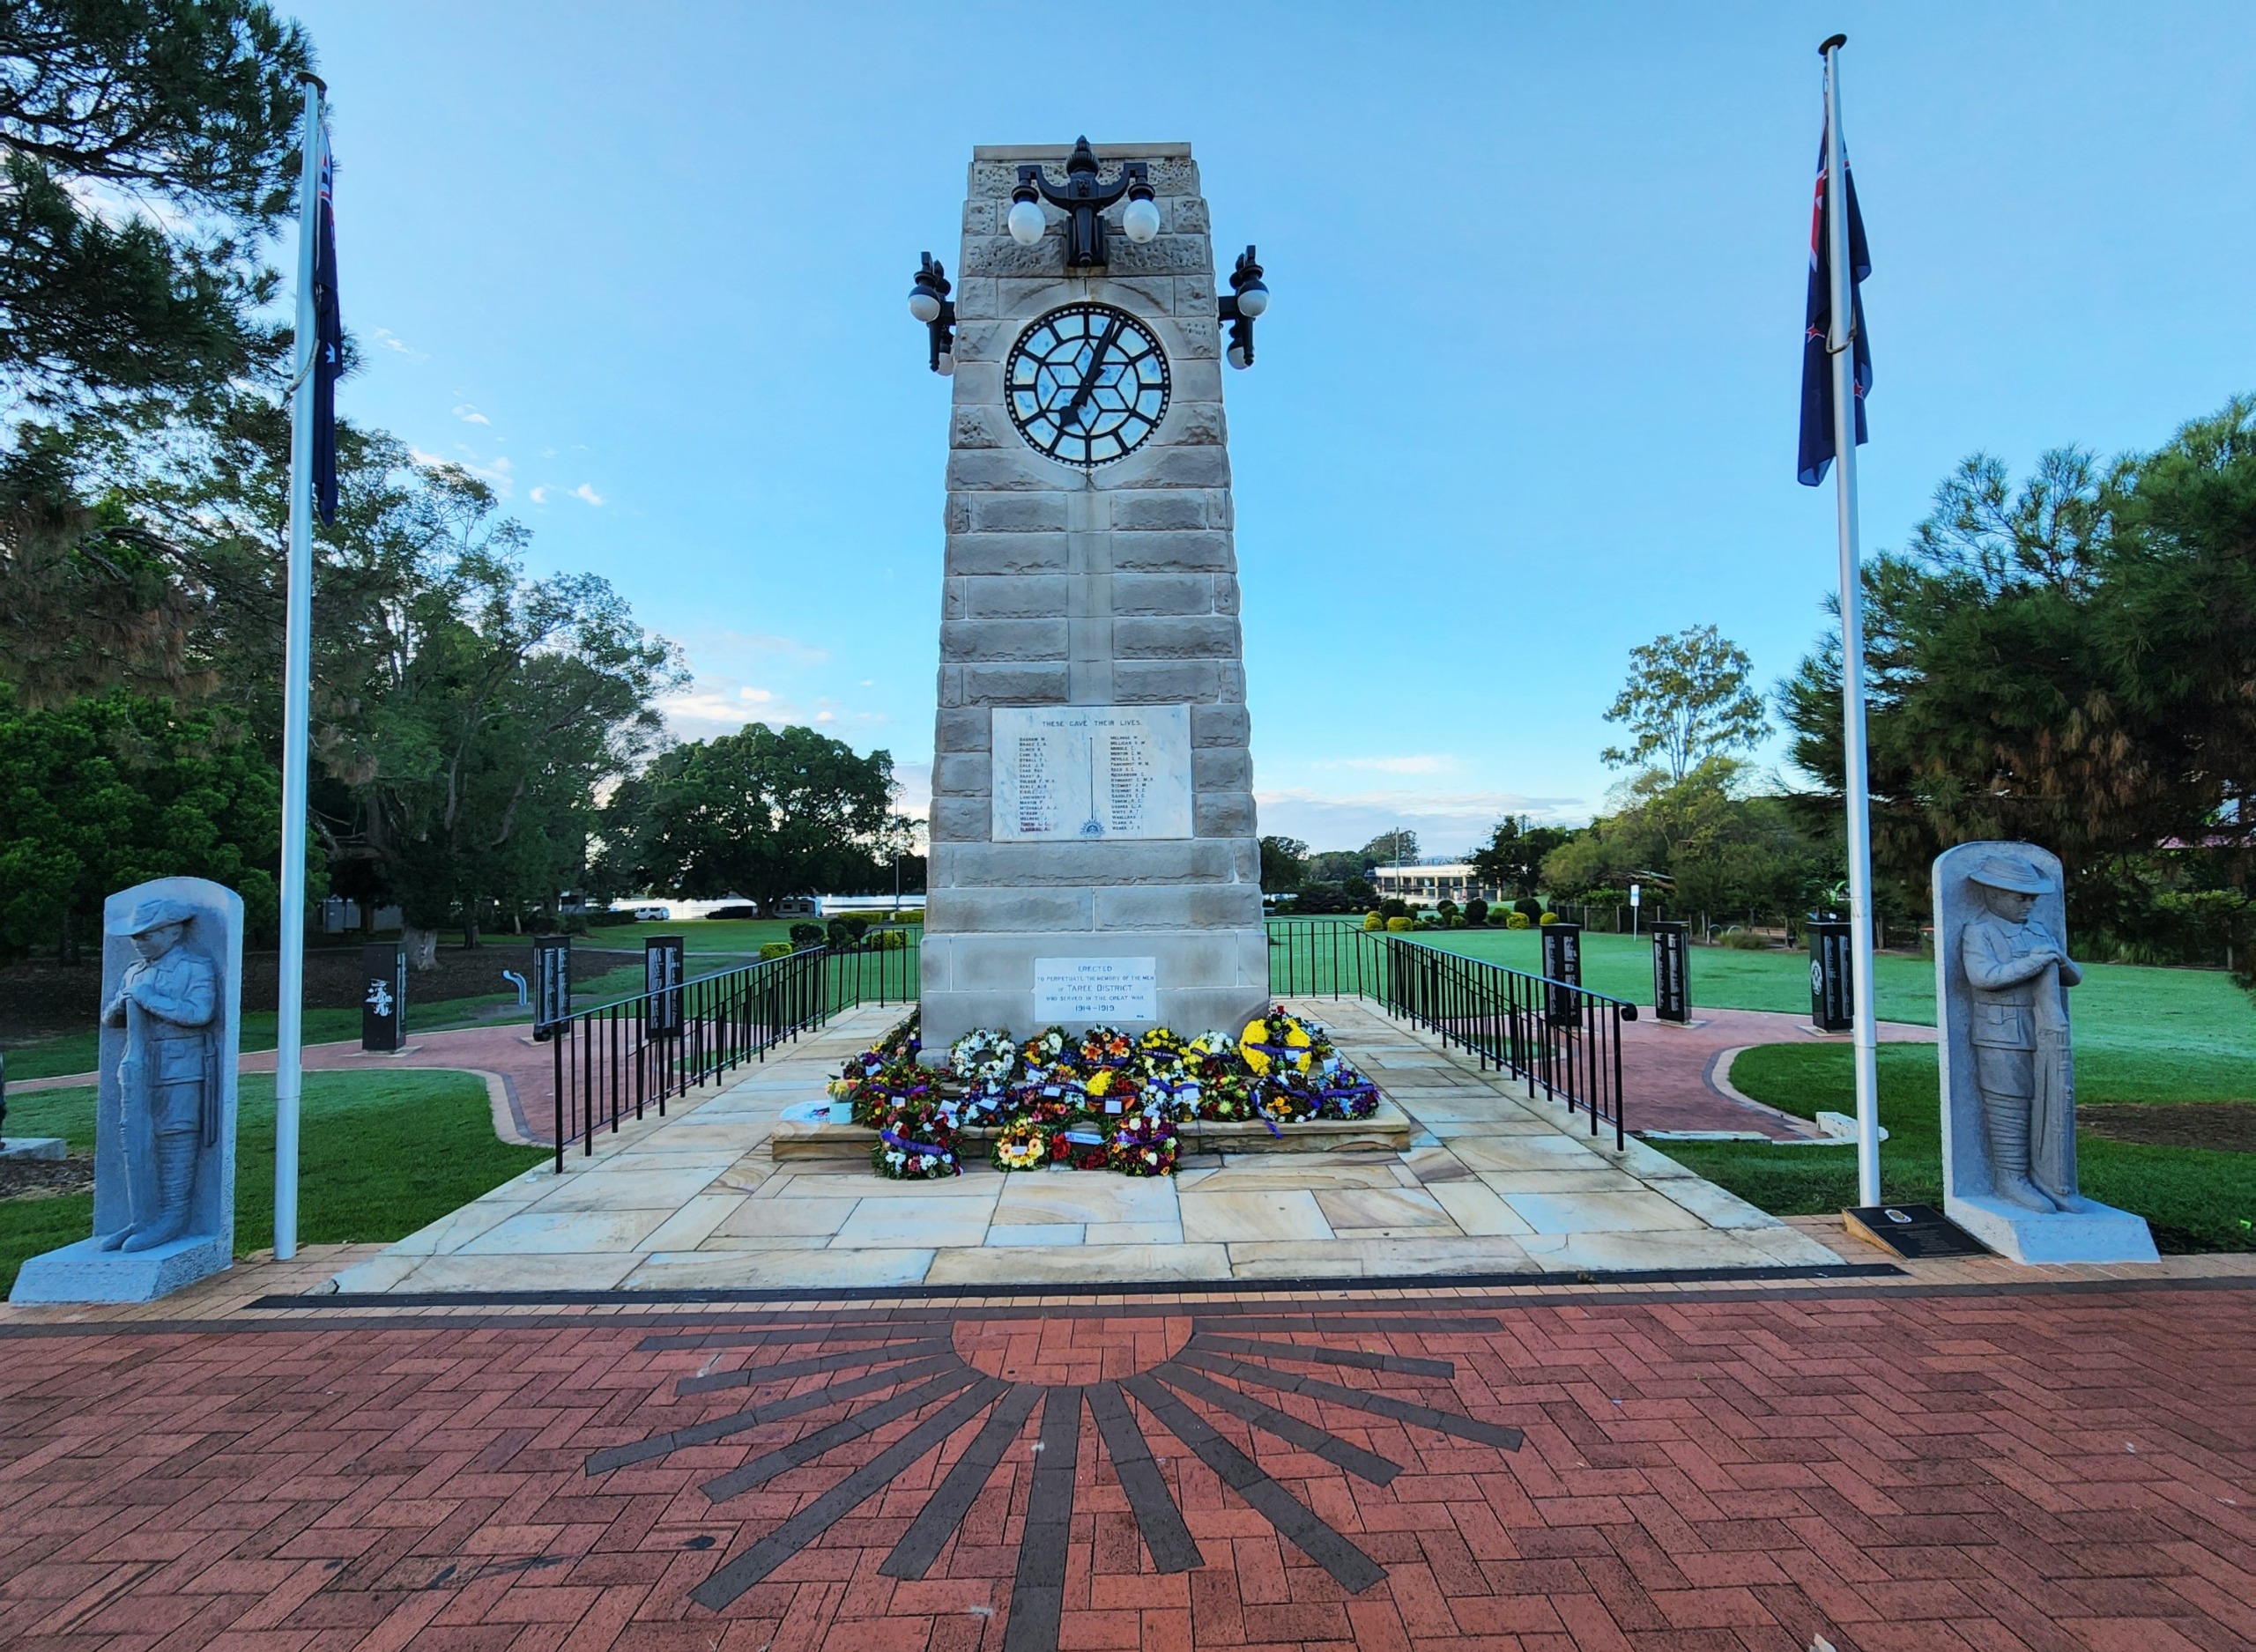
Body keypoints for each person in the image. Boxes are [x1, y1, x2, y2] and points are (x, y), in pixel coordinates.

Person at [1960, 855, 2088, 1213]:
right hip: (1999, 1035)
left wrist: (2059, 961)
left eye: (2032, 897)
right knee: (2009, 1105)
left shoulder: (2037, 931)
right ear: (1994, 895)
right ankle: (2010, 1176)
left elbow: (2073, 977)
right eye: (2021, 897)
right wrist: (2035, 961)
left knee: (2046, 1099)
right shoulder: (1980, 931)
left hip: (2041, 1029)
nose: (2029, 904)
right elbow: (1983, 977)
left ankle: (2050, 1178)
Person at [97, 898, 219, 1253]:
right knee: (135, 1139)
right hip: (137, 1068)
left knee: (175, 1136)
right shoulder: (134, 972)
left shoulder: (195, 967)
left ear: (172, 932)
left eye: (147, 935)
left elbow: (200, 1012)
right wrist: (121, 1005)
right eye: (135, 937)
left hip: (181, 1068)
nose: (139, 943)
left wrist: (149, 998)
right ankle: (143, 1217)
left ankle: (173, 1216)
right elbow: (110, 1018)